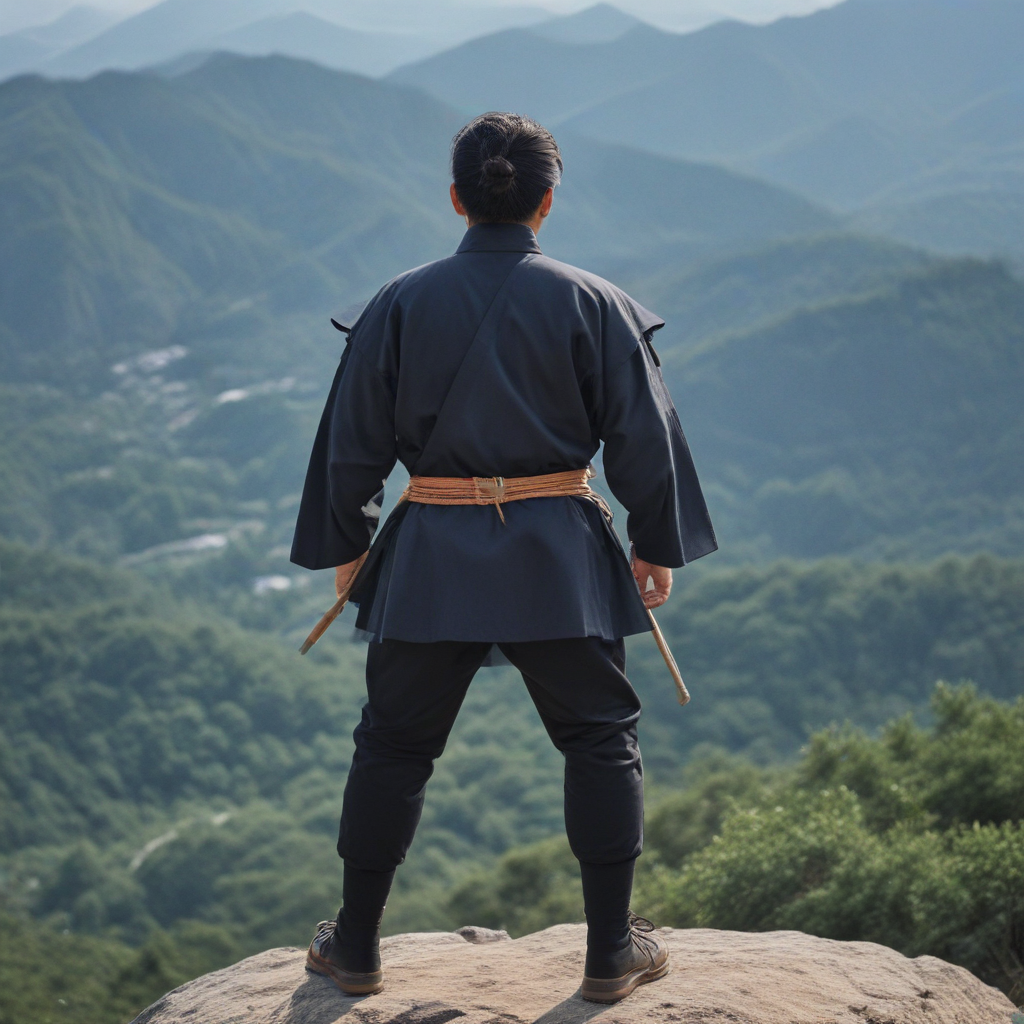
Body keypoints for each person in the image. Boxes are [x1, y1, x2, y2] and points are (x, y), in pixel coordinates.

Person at [290, 112, 717, 1005]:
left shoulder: (398, 303)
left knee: (392, 747)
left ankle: (356, 946)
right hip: (559, 555)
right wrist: (654, 544)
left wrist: (347, 544)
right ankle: (611, 953)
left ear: (455, 198)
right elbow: (644, 435)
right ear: (546, 203)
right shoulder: (595, 304)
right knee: (600, 743)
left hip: (431, 558)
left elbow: (351, 443)